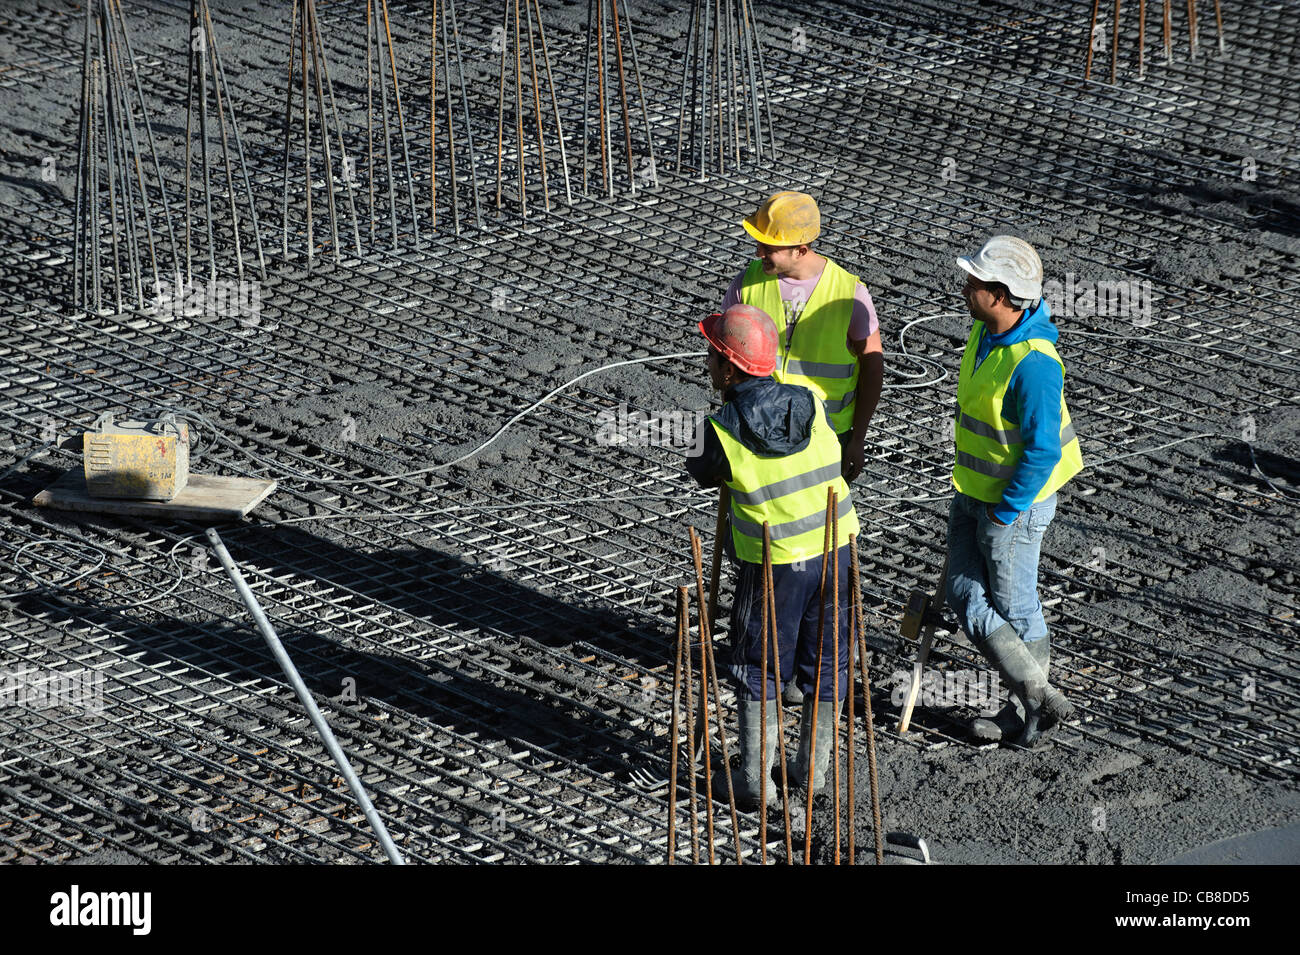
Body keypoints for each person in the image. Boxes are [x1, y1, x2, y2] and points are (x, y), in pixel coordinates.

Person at [687, 303, 859, 806]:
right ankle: (813, 773)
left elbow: (703, 471)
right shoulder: (811, 400)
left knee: (759, 665)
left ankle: (756, 783)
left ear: (727, 366)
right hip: (838, 551)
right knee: (826, 659)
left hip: (776, 564)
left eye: (712, 354)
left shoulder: (716, 431)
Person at [943, 236, 1083, 746]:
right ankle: (1039, 697)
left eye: (975, 282)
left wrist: (1006, 512)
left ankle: (1028, 713)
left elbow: (1043, 449)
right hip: (974, 489)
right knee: (964, 594)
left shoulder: (1035, 363)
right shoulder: (986, 334)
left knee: (1015, 606)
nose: (965, 287)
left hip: (1014, 504)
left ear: (1000, 295)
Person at [720, 191, 884, 485]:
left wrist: (858, 439)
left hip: (825, 438)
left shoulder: (849, 293)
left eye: (769, 247)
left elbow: (873, 367)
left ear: (801, 249)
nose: (758, 252)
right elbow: (727, 361)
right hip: (760, 433)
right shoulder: (746, 285)